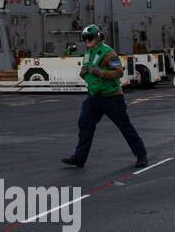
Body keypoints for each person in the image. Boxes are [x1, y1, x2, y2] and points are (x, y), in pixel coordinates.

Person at [61, 25, 148, 169]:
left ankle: (141, 155)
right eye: (85, 38)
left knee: (124, 126)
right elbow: (89, 71)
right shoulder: (88, 52)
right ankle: (80, 157)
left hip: (111, 97)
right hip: (94, 97)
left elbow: (119, 72)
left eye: (89, 38)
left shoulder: (109, 53)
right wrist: (83, 74)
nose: (87, 41)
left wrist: (100, 72)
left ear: (97, 37)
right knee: (84, 124)